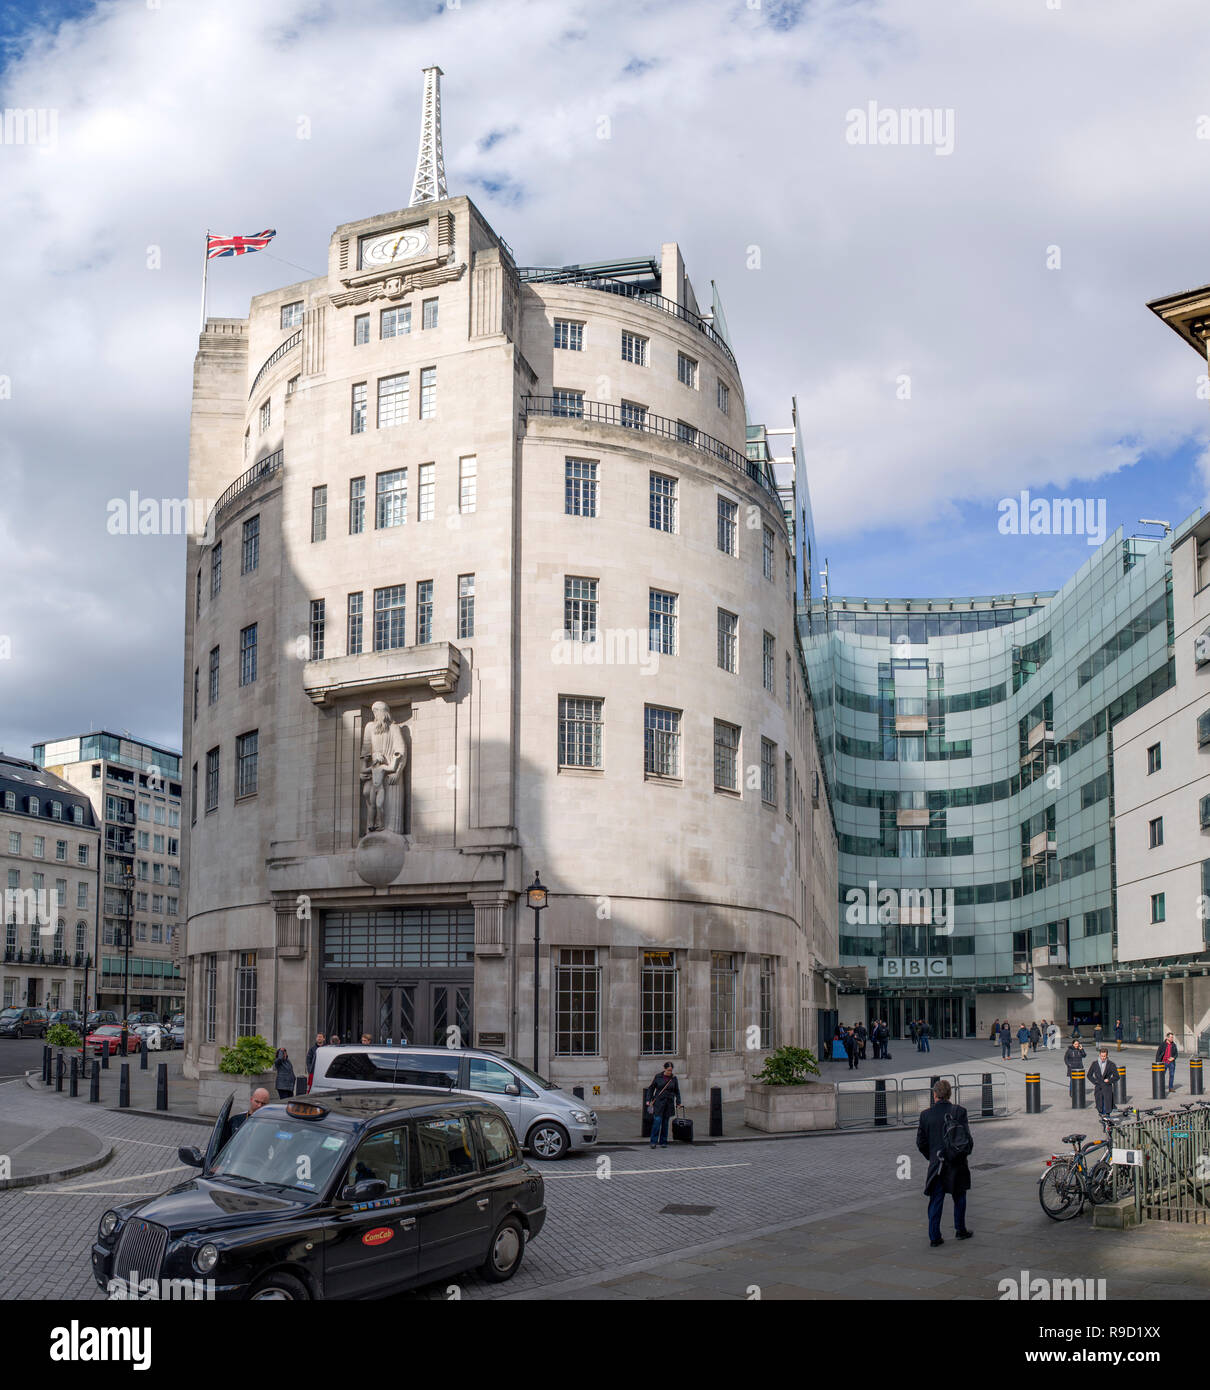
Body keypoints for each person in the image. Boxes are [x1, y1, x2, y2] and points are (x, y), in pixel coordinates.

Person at [915, 1078, 973, 1247]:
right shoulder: (959, 1112)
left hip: (937, 1163)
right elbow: (967, 1140)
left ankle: (934, 1236)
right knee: (959, 1196)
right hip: (957, 1161)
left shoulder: (925, 1115)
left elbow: (920, 1142)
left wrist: (932, 1156)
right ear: (949, 1094)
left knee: (936, 1200)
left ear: (935, 1095)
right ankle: (960, 1229)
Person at [646, 1061, 681, 1147]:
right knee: (657, 1121)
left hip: (669, 1103)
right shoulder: (658, 1077)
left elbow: (677, 1091)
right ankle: (653, 1141)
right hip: (658, 1103)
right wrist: (648, 1099)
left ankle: (663, 1141)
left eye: (671, 1070)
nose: (670, 1072)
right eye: (668, 1070)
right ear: (664, 1069)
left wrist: (678, 1102)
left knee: (665, 1123)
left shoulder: (674, 1078)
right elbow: (651, 1088)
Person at [1086, 1048, 1120, 1117]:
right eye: (1102, 1056)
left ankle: (1107, 1121)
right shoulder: (1094, 1064)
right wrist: (1095, 1081)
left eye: (1104, 1056)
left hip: (1107, 1088)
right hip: (1098, 1088)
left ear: (1107, 1056)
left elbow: (1117, 1076)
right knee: (1100, 1106)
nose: (1103, 1058)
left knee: (1107, 1107)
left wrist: (1109, 1080)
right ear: (1099, 1055)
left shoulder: (1111, 1064)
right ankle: (1103, 1118)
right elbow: (1089, 1075)